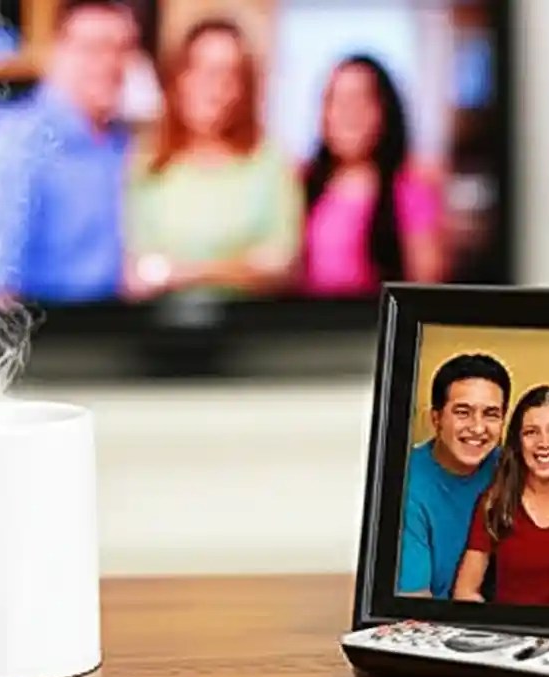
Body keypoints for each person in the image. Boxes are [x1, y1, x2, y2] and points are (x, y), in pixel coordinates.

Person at [0, 0, 141, 306]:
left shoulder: (122, 145)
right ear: (56, 53)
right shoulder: (13, 145)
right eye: (94, 48)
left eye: (123, 48)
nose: (110, 62)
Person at [125, 18, 302, 301]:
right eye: (203, 70)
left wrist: (187, 273)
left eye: (229, 74)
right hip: (164, 332)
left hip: (253, 330)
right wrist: (240, 267)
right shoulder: (148, 161)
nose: (215, 87)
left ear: (246, 88)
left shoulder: (269, 161)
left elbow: (279, 266)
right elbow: (140, 274)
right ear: (179, 78)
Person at [300, 55, 446, 297]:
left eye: (359, 102)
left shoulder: (411, 192)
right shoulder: (305, 184)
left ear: (384, 111)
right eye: (336, 102)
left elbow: (429, 293)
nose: (348, 115)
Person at [453, 385, 549, 606]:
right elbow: (465, 592)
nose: (544, 443)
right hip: (508, 634)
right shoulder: (495, 503)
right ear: (518, 444)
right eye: (531, 432)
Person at [396, 353, 511, 599]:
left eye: (491, 414)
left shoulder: (510, 468)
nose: (478, 428)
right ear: (436, 418)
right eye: (463, 412)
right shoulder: (405, 484)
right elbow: (413, 604)